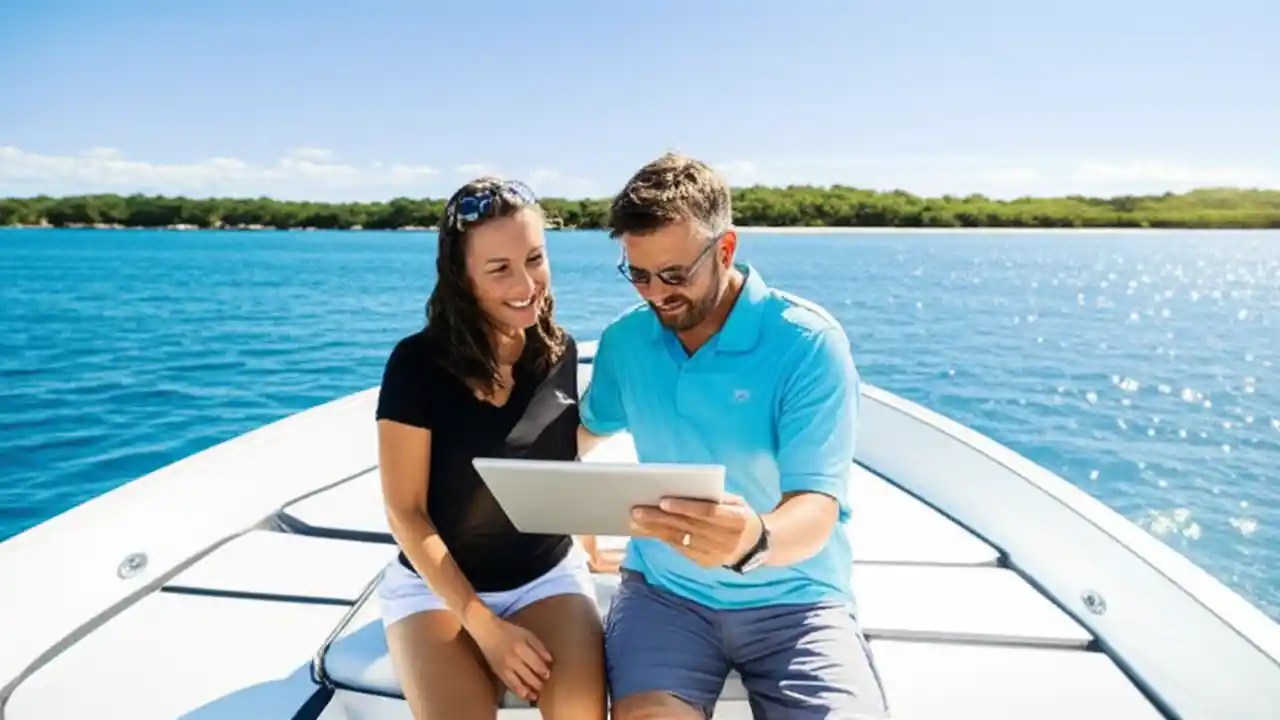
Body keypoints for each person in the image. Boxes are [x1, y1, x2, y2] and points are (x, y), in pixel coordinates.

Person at [578, 153, 889, 719]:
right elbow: (578, 434)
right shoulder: (625, 342)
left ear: (725, 249)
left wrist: (754, 540)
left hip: (798, 602)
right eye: (639, 274)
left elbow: (817, 508)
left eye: (675, 275)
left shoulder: (807, 344)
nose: (655, 294)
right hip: (665, 599)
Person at [374, 177, 609, 720]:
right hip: (435, 590)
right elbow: (405, 513)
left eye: (535, 258)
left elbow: (560, 460)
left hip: (545, 576)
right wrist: (484, 625)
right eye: (499, 268)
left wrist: (591, 549)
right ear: (461, 276)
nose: (527, 283)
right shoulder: (416, 365)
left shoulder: (558, 348)